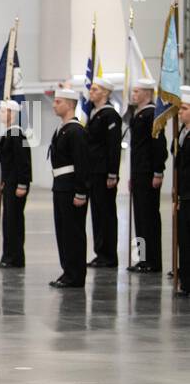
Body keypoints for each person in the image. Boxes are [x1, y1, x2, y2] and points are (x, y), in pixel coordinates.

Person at [47, 86, 90, 289]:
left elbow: (82, 164)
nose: (55, 105)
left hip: (71, 188)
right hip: (60, 187)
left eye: (59, 102)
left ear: (70, 105)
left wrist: (81, 191)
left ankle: (76, 275)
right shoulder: (63, 129)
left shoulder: (76, 130)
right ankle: (68, 271)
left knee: (73, 232)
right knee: (63, 232)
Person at [126, 79, 165, 273]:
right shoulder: (138, 114)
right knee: (139, 218)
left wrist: (158, 171)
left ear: (148, 94)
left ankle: (153, 261)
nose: (133, 94)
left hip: (149, 173)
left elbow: (158, 145)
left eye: (137, 91)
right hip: (138, 173)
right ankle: (141, 259)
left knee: (149, 218)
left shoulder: (151, 114)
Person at [85, 76, 122, 268]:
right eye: (91, 89)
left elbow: (113, 147)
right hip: (93, 171)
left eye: (95, 90)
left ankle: (109, 255)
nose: (91, 92)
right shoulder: (94, 113)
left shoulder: (110, 115)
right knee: (97, 213)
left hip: (104, 172)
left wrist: (112, 173)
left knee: (106, 213)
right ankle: (100, 253)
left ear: (105, 93)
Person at [0, 100, 31, 268]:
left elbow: (23, 162)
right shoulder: (9, 133)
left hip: (17, 185)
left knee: (14, 221)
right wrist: (3, 182)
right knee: (8, 221)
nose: (0, 113)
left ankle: (14, 257)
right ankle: (8, 255)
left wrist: (22, 184)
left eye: (3, 111)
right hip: (9, 183)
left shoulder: (17, 134)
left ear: (12, 114)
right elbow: (7, 163)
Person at [175, 89, 190, 298]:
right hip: (183, 195)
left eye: (185, 109)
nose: (180, 113)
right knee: (183, 241)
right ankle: (185, 280)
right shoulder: (181, 134)